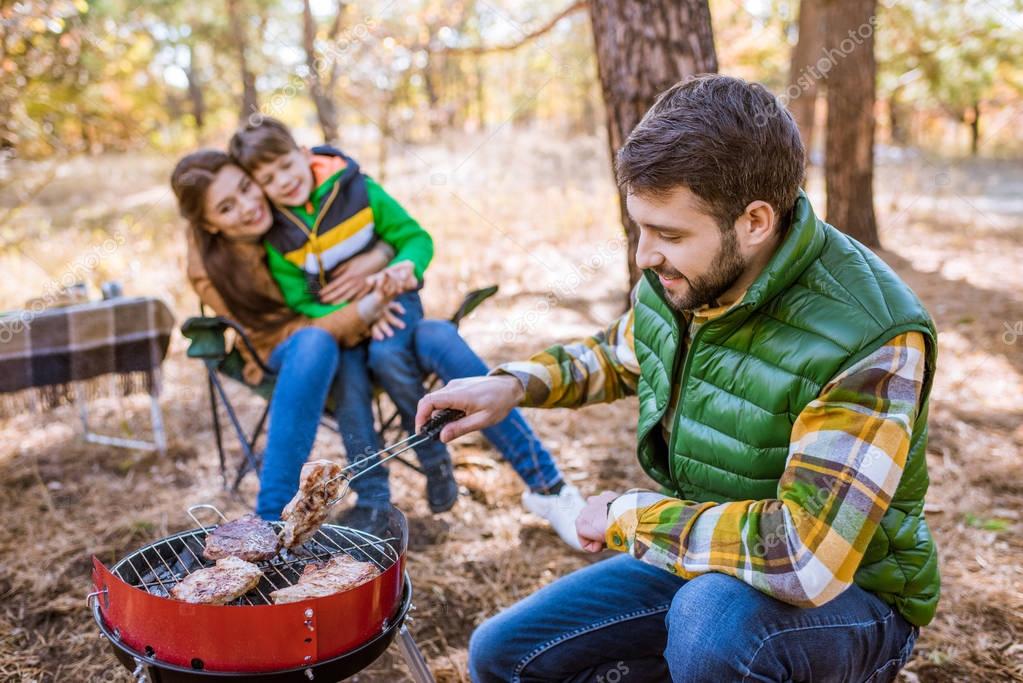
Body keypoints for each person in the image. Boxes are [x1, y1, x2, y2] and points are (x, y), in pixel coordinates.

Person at [416, 75, 937, 682]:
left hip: (851, 597)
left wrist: (632, 517)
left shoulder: (871, 336)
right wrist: (510, 384)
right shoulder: (688, 277)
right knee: (503, 653)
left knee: (711, 623)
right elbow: (622, 352)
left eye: (669, 234)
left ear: (755, 221)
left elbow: (805, 558)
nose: (643, 255)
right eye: (640, 228)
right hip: (708, 551)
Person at [173, 149, 585, 544]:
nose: (247, 205)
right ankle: (268, 523)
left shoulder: (293, 197)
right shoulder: (215, 266)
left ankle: (549, 487)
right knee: (315, 342)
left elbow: (382, 227)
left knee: (440, 336)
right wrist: (363, 310)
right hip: (299, 352)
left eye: (246, 186)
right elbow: (294, 325)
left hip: (378, 327)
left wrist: (381, 260)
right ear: (208, 225)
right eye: (226, 208)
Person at [229, 117, 457, 522]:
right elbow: (303, 302)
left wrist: (397, 272)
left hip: (391, 307)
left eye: (285, 165)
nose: (282, 181)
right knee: (348, 384)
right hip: (345, 328)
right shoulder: (278, 233)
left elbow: (415, 237)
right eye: (267, 178)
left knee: (391, 359)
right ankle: (373, 498)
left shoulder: (355, 188)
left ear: (303, 154)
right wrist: (352, 315)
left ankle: (434, 457)